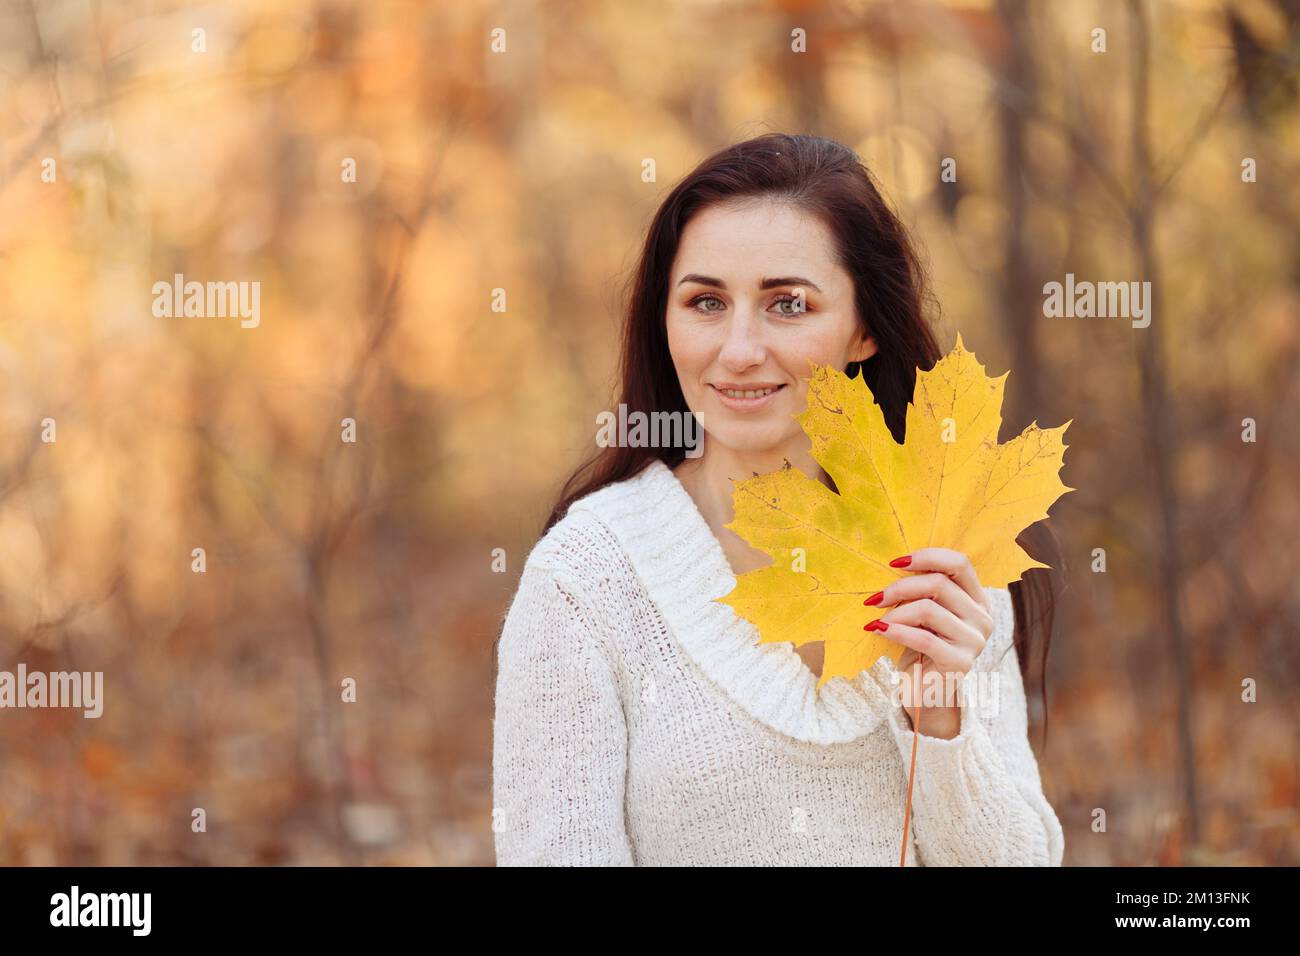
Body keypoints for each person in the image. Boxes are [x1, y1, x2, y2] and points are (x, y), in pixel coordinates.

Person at [491, 132, 1065, 866]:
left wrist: (942, 722)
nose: (737, 349)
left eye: (787, 304)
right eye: (705, 302)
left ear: (863, 329)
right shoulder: (586, 581)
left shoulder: (947, 550)